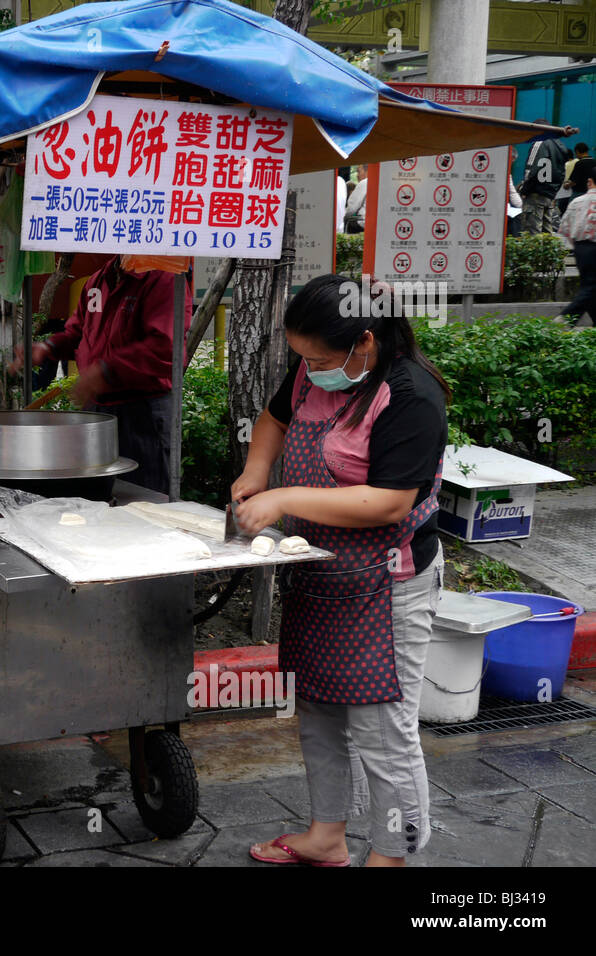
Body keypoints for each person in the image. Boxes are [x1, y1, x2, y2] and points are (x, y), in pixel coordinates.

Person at [236, 274, 448, 868]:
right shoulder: (315, 368)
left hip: (387, 586)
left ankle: (391, 856)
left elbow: (388, 502)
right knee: (321, 716)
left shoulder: (409, 395)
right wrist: (258, 472)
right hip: (322, 577)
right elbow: (274, 420)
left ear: (366, 343)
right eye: (301, 358)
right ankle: (327, 836)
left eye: (320, 358)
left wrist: (283, 499)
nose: (309, 369)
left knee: (385, 738)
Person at [14, 257, 193, 493]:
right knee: (93, 495)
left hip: (142, 413)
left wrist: (106, 371)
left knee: (142, 501)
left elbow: (164, 349)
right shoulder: (99, 280)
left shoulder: (164, 278)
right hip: (97, 410)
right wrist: (49, 348)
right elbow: (78, 331)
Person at [559, 173, 596, 327]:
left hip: (581, 249)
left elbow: (564, 228)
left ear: (590, 181)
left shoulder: (576, 202)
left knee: (589, 286)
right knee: (592, 287)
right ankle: (565, 318)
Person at [519, 128, 571, 235]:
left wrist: (524, 190)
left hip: (535, 194)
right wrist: (553, 192)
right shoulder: (560, 145)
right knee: (547, 234)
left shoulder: (539, 142)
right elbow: (562, 172)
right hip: (550, 196)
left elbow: (530, 169)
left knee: (532, 235)